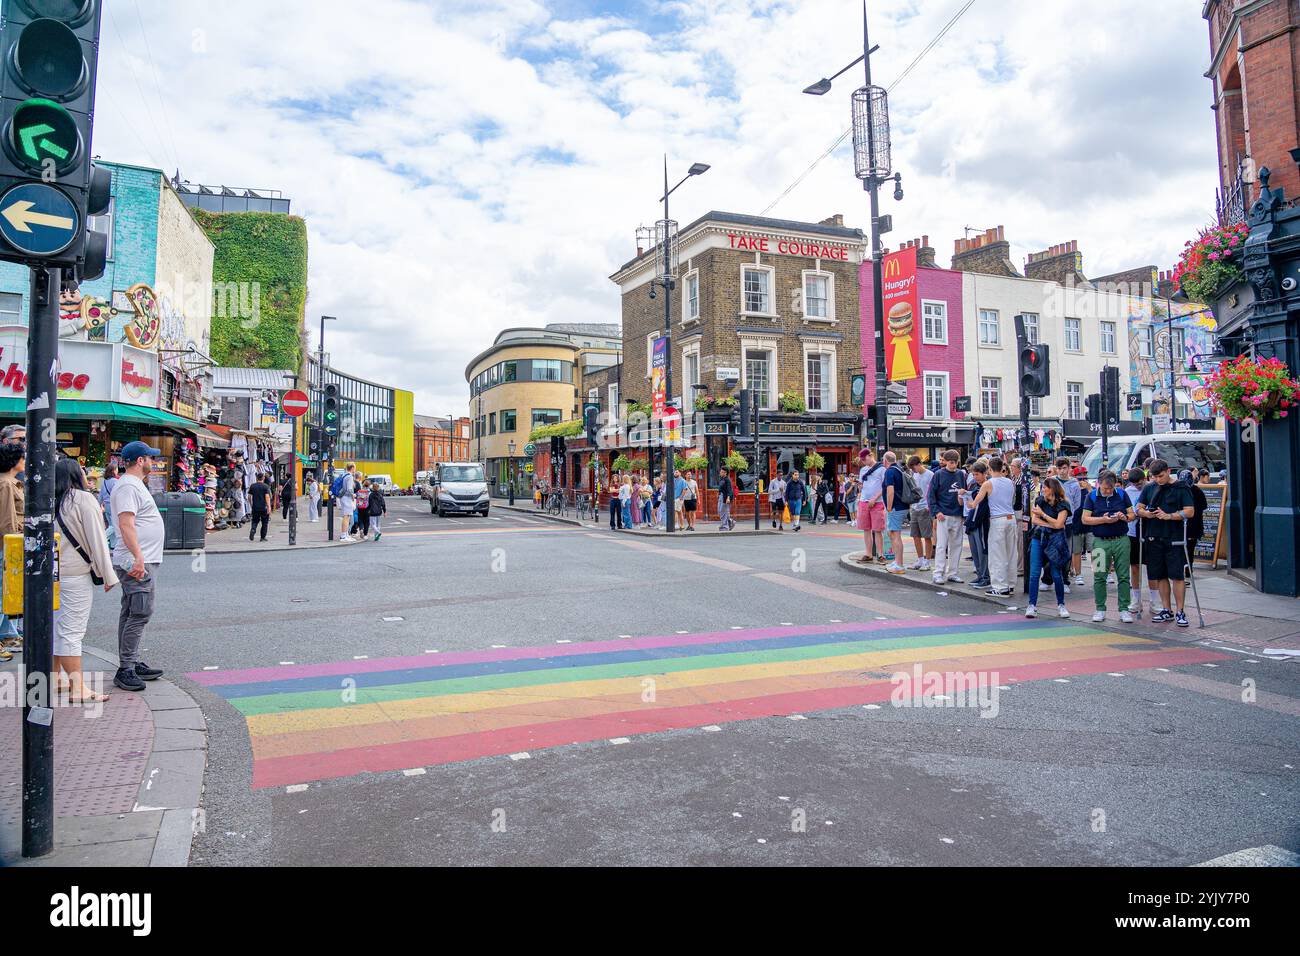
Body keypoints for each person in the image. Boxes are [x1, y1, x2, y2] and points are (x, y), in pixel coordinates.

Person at [53, 458, 118, 702]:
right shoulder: (82, 499)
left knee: (55, 629)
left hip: (51, 575)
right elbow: (97, 540)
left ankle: (55, 678)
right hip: (75, 575)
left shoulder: (47, 499)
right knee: (72, 632)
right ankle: (78, 688)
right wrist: (107, 574)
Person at [109, 441, 166, 692]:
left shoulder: (132, 485)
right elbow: (126, 524)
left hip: (140, 558)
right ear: (140, 460)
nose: (153, 462)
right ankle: (126, 669)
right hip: (135, 561)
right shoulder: (128, 487)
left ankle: (129, 661)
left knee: (131, 611)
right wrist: (138, 557)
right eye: (150, 458)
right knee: (141, 612)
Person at [1137, 459, 1196, 627]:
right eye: (1154, 477)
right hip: (1153, 536)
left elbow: (1190, 511)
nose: (1158, 480)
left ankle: (1180, 611)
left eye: (1161, 476)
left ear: (1168, 471)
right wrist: (1146, 514)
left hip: (1174, 538)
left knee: (1177, 576)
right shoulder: (1149, 487)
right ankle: (1166, 609)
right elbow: (1138, 508)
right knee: (1160, 575)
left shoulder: (1181, 488)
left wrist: (1169, 516)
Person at [1082, 469, 1135, 623]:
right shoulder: (1091, 496)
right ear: (1099, 484)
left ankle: (1124, 609)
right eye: (1105, 488)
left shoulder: (1122, 494)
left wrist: (1124, 517)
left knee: (1124, 576)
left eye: (1111, 488)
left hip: (1121, 539)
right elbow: (1085, 519)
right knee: (1099, 576)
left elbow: (1132, 514)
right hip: (1099, 540)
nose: (1108, 491)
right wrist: (1103, 520)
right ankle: (1100, 608)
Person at [1025, 476, 1071, 619]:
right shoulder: (1040, 501)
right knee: (1034, 573)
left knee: (1056, 574)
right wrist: (1051, 524)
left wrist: (1044, 516)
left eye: (1045, 487)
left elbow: (1059, 524)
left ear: (1052, 489)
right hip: (1039, 538)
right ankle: (1031, 605)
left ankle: (1061, 604)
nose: (1043, 489)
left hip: (1055, 541)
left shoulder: (1063, 504)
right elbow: (1036, 520)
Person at [972, 458, 1016, 596]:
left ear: (990, 469)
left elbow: (975, 502)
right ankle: (1010, 583)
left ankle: (999, 587)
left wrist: (967, 501)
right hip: (1011, 517)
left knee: (997, 554)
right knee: (1011, 553)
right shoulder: (1010, 482)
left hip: (997, 519)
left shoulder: (988, 483)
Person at [927, 450, 966, 584]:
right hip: (943, 514)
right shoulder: (938, 474)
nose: (953, 465)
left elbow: (963, 494)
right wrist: (936, 512)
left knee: (956, 546)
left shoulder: (961, 474)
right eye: (951, 462)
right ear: (945, 461)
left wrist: (963, 513)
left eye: (955, 462)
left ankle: (952, 573)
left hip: (957, 514)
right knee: (941, 546)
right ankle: (938, 573)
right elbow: (931, 494)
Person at [0, 442, 24, 659]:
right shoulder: (6, 485)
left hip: (10, 545)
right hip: (8, 547)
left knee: (8, 593)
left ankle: (8, 633)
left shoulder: (11, 483)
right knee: (2, 593)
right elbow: (8, 520)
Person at [1124, 467, 1149, 617]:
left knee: (1152, 567)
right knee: (1134, 567)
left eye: (1139, 484)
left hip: (1148, 532)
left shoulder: (1151, 489)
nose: (1137, 487)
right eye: (1135, 484)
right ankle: (1136, 599)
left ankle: (1155, 600)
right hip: (1132, 532)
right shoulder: (1128, 492)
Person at [963, 461, 991, 589]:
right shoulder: (974, 485)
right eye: (973, 474)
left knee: (982, 550)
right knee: (975, 551)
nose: (975, 477)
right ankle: (980, 575)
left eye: (977, 474)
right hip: (972, 522)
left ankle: (985, 577)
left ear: (984, 473)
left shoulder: (988, 485)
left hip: (982, 523)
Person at [881, 452, 909, 573]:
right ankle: (897, 561)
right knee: (892, 533)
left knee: (895, 534)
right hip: (902, 505)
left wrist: (889, 507)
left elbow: (890, 491)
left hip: (895, 507)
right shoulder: (898, 469)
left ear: (885, 460)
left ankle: (899, 565)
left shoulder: (889, 471)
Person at [857, 449, 887, 560]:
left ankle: (880, 554)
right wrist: (859, 486)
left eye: (865, 459)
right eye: (862, 460)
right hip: (864, 501)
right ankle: (868, 553)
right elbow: (862, 485)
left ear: (871, 455)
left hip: (877, 502)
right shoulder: (863, 470)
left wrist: (875, 498)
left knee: (878, 529)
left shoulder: (881, 469)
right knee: (866, 529)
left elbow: (885, 486)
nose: (864, 461)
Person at [906, 456, 934, 572]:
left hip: (925, 508)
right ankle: (920, 559)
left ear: (919, 464)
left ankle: (927, 561)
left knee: (927, 536)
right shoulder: (914, 475)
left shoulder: (930, 475)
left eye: (914, 467)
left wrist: (929, 506)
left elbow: (933, 491)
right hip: (915, 507)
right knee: (915, 535)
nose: (913, 470)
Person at [247, 472, 272, 542]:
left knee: (255, 521)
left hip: (255, 507)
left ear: (257, 478)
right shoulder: (265, 486)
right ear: (263, 478)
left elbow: (249, 496)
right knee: (264, 523)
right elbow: (267, 497)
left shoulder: (253, 486)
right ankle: (262, 537)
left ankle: (253, 529)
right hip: (264, 508)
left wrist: (251, 504)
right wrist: (269, 506)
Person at [337, 464, 357, 541]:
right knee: (346, 516)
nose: (355, 469)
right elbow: (349, 489)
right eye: (354, 468)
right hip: (347, 498)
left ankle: (345, 535)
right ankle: (343, 536)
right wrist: (353, 495)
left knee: (347, 516)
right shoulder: (349, 476)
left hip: (343, 497)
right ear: (352, 468)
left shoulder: (344, 475)